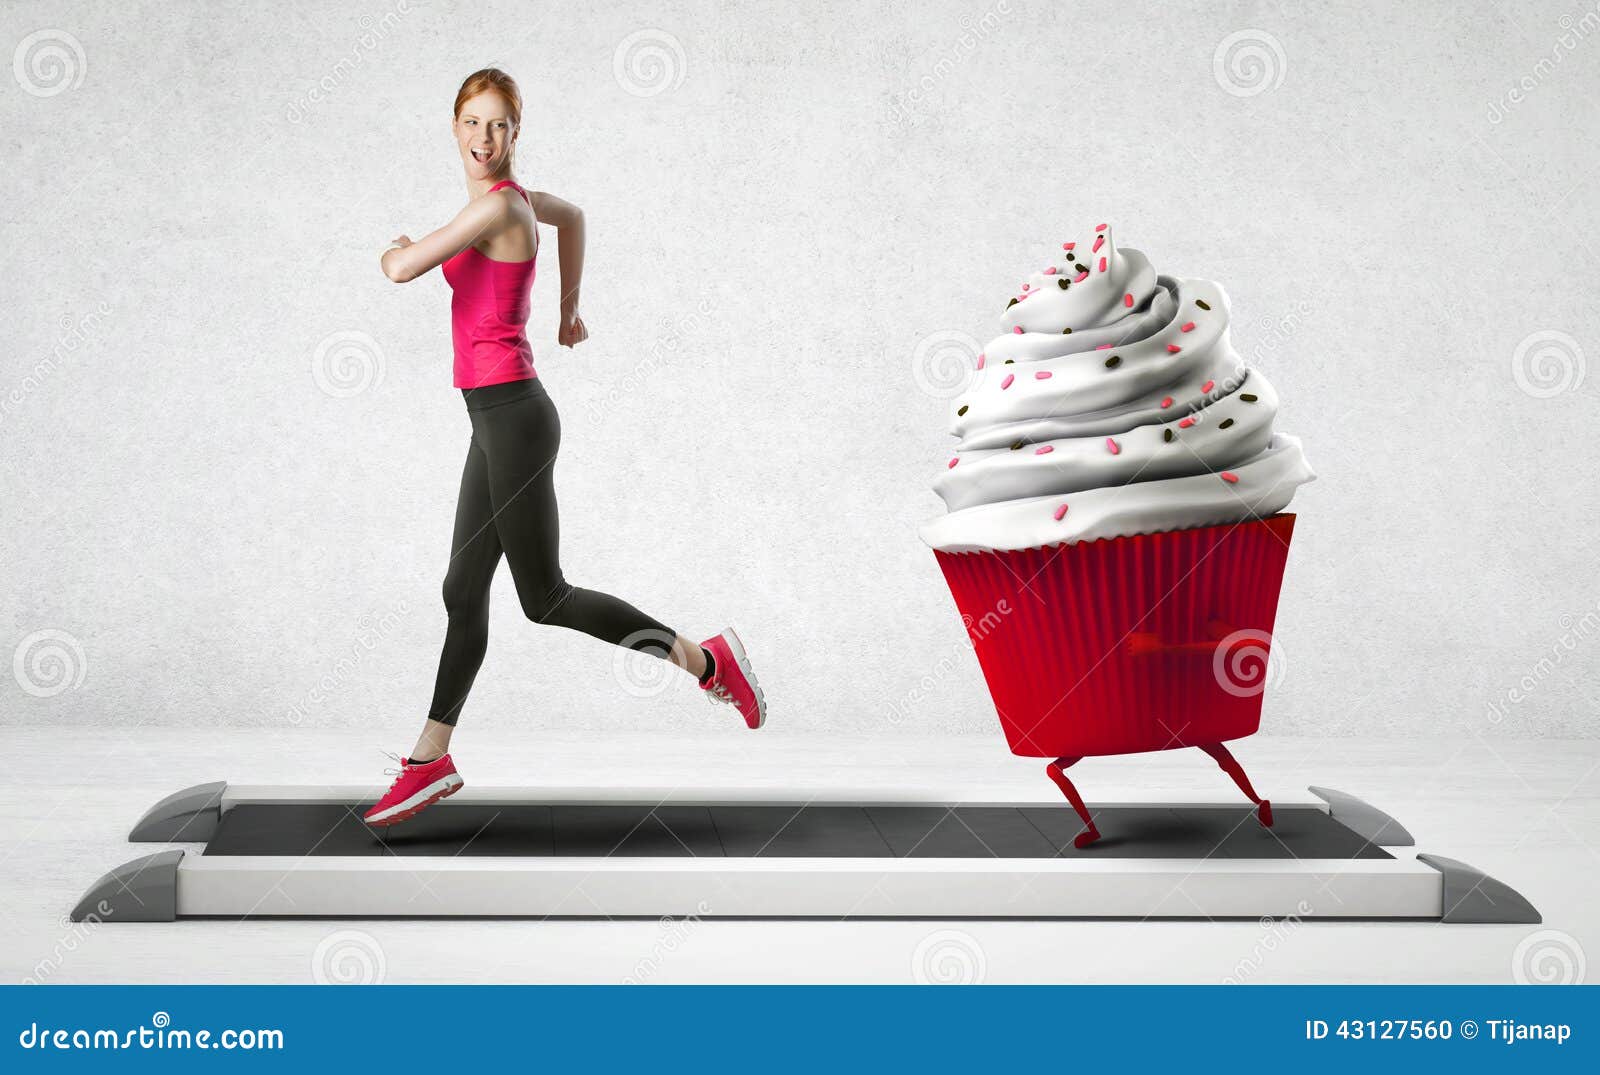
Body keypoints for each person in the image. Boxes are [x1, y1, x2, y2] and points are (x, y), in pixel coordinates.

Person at [364, 68, 764, 827]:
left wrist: (401, 244)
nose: (485, 140)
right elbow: (573, 215)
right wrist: (568, 313)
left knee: (543, 597)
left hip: (514, 417)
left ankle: (711, 662)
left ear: (518, 133)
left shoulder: (500, 206)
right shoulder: (508, 203)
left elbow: (400, 269)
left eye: (500, 127)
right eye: (473, 124)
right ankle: (429, 760)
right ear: (454, 128)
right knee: (461, 590)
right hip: (494, 419)